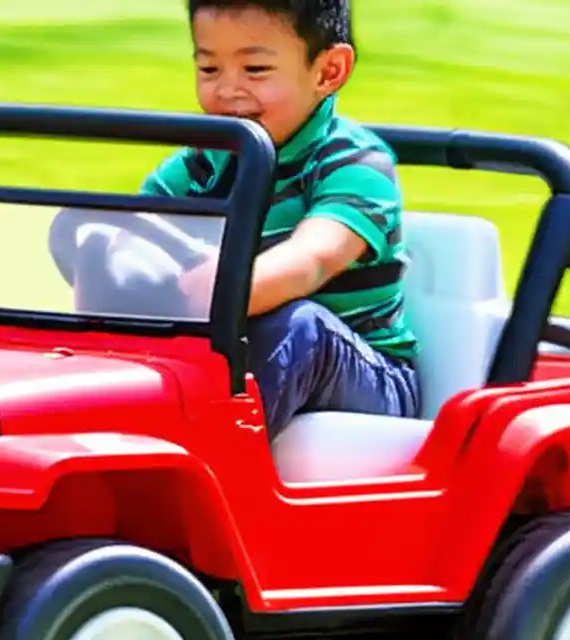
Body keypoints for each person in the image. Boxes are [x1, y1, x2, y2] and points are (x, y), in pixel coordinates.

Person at [139, 0, 421, 437]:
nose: (227, 90)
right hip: (233, 350)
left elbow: (312, 260)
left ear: (328, 71)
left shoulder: (357, 165)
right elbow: (137, 224)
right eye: (209, 70)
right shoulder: (204, 161)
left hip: (368, 379)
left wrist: (218, 290)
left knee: (298, 326)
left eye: (254, 70)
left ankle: (207, 458)